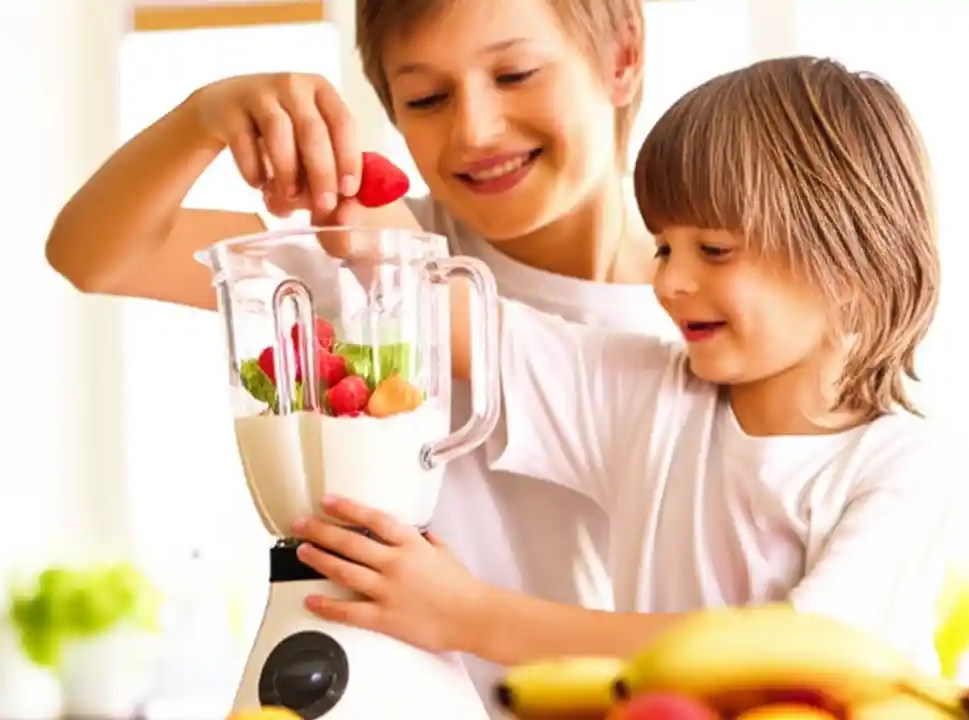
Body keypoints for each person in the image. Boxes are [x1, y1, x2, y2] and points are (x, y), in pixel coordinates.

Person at [44, 0, 674, 709]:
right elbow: (90, 255)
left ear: (622, 57)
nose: (475, 129)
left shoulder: (705, 315)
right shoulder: (372, 255)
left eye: (516, 73)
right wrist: (201, 119)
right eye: (427, 97)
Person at [288, 55, 955, 677]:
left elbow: (800, 650)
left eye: (715, 250)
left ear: (850, 269)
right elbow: (467, 318)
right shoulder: (648, 400)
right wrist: (360, 213)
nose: (671, 283)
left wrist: (472, 617)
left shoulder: (897, 465)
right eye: (664, 248)